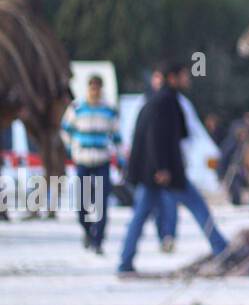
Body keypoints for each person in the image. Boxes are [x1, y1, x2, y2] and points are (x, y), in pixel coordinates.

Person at [118, 62, 228, 275]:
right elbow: (156, 139)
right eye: (184, 76)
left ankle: (125, 260)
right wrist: (162, 169)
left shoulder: (163, 100)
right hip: (162, 171)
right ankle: (220, 246)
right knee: (197, 206)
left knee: (140, 216)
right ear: (172, 78)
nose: (188, 80)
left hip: (155, 171)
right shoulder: (165, 102)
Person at [59, 75, 120, 254]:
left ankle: (98, 241)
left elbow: (116, 135)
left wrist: (120, 157)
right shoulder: (77, 107)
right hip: (83, 160)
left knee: (101, 202)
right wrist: (71, 148)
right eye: (92, 87)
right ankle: (87, 230)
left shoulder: (109, 109)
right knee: (82, 202)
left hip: (102, 159)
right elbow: (65, 130)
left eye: (98, 87)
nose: (95, 91)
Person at [143, 66, 179, 252]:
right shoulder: (152, 102)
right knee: (150, 207)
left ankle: (168, 235)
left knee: (167, 203)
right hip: (154, 167)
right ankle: (163, 236)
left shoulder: (169, 100)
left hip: (166, 166)